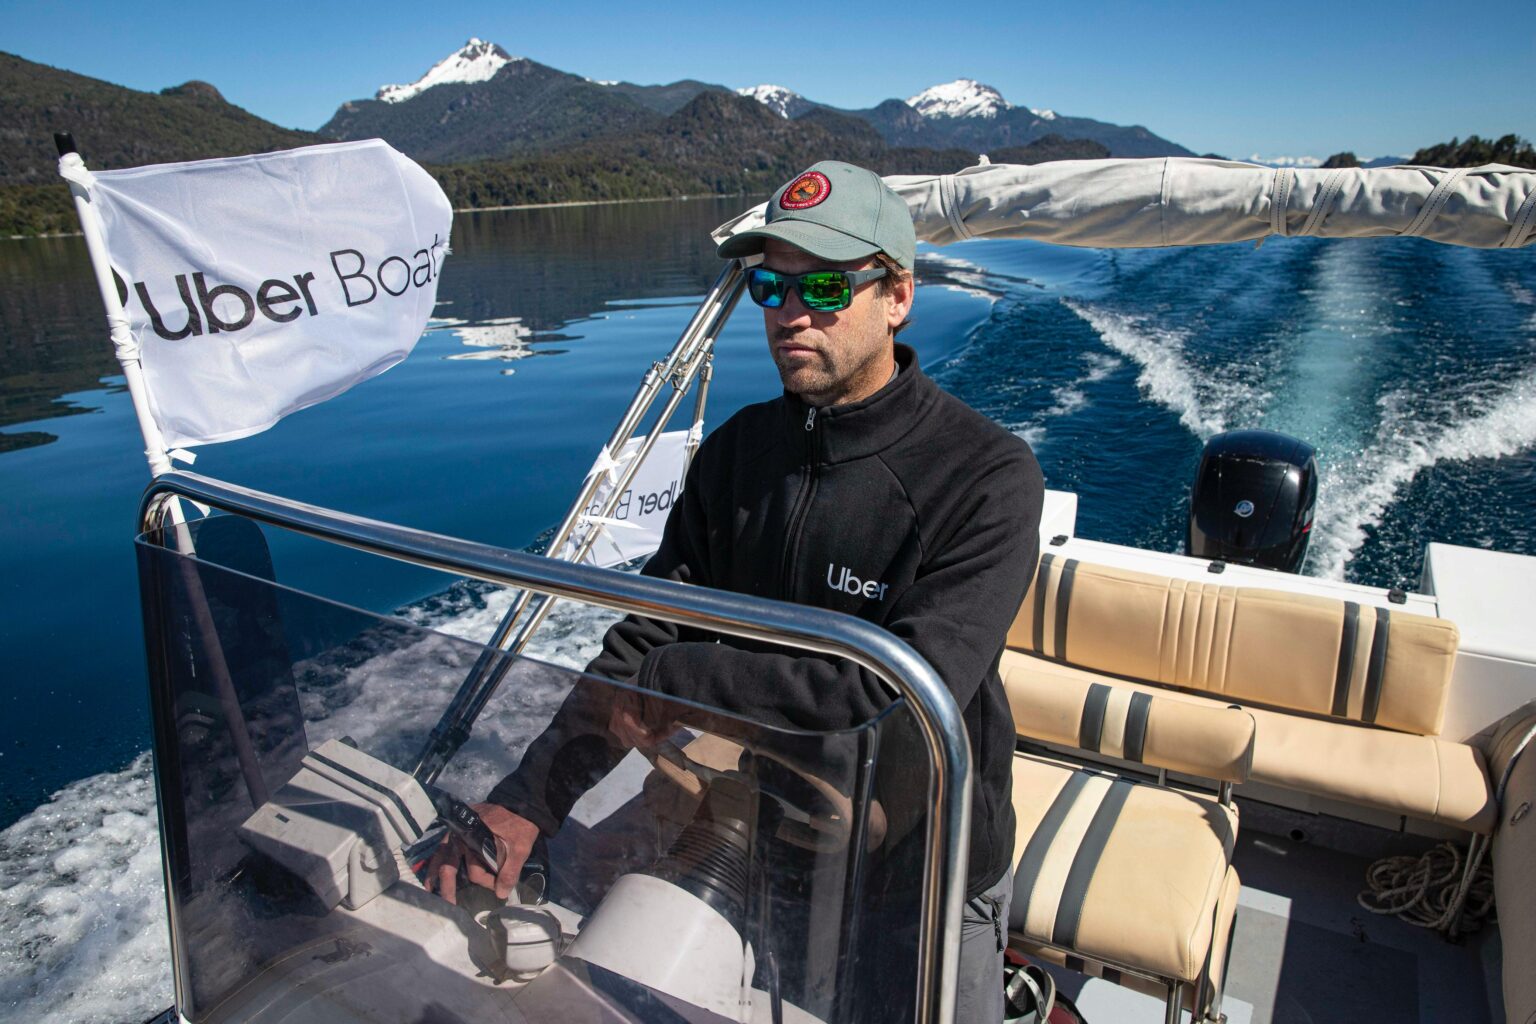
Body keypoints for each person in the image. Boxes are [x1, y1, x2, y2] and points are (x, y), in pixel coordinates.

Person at [432, 160, 1044, 1022]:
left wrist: (678, 682)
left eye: (826, 285)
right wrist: (531, 800)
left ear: (898, 295)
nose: (791, 313)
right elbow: (645, 641)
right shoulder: (737, 455)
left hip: (921, 866)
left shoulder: (985, 477)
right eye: (771, 284)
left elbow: (889, 696)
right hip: (756, 832)